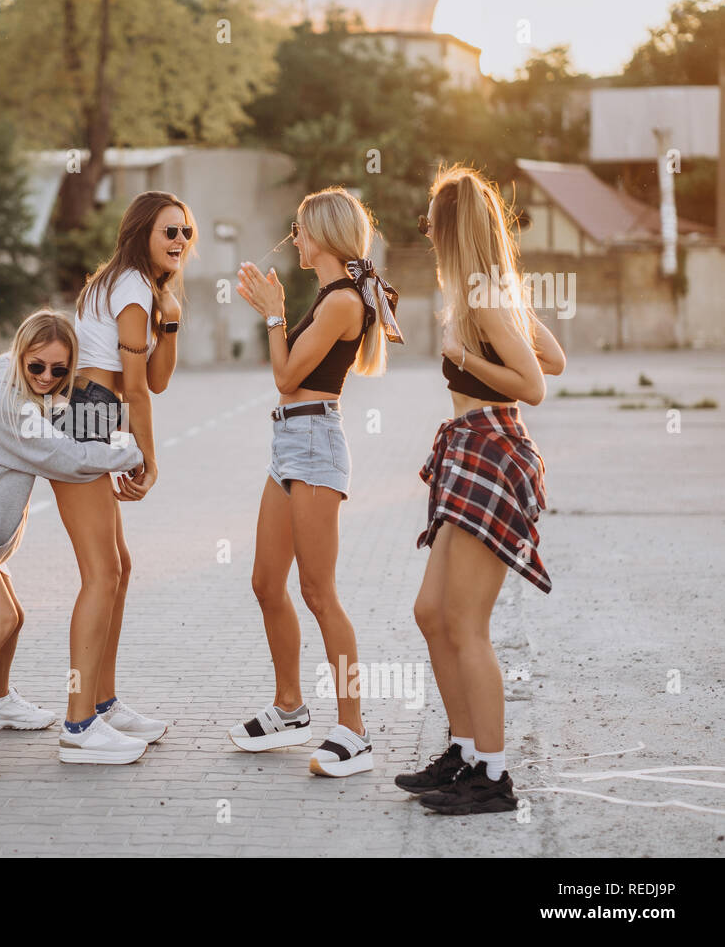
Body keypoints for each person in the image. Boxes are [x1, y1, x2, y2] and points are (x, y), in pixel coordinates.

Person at [396, 164, 566, 814]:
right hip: (470, 446)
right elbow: (551, 356)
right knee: (432, 614)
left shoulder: (486, 297)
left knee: (466, 623)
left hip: (492, 447)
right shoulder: (490, 292)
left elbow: (537, 383)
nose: (428, 231)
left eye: (433, 222)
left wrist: (462, 354)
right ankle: (465, 752)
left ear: (450, 227)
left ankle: (492, 777)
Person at [0, 310, 144, 776]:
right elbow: (68, 457)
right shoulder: (7, 405)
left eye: (59, 371)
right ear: (20, 356)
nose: (46, 378)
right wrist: (135, 451)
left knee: (12, 616)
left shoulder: (18, 387)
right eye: (36, 366)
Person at [230, 187, 404, 776]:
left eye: (300, 230)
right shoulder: (331, 295)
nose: (294, 239)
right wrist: (277, 310)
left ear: (324, 235)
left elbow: (285, 376)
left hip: (315, 444)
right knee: (264, 582)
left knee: (318, 592)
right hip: (288, 443)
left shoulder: (342, 301)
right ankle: (290, 706)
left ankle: (354, 730)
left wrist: (274, 312)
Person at [49, 190, 192, 763]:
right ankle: (80, 725)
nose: (180, 241)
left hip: (94, 414)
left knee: (118, 567)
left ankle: (103, 705)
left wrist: (174, 321)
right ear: (142, 234)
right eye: (169, 232)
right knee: (102, 572)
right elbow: (135, 389)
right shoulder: (130, 286)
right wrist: (148, 457)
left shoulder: (139, 288)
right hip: (88, 411)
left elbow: (154, 379)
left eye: (186, 232)